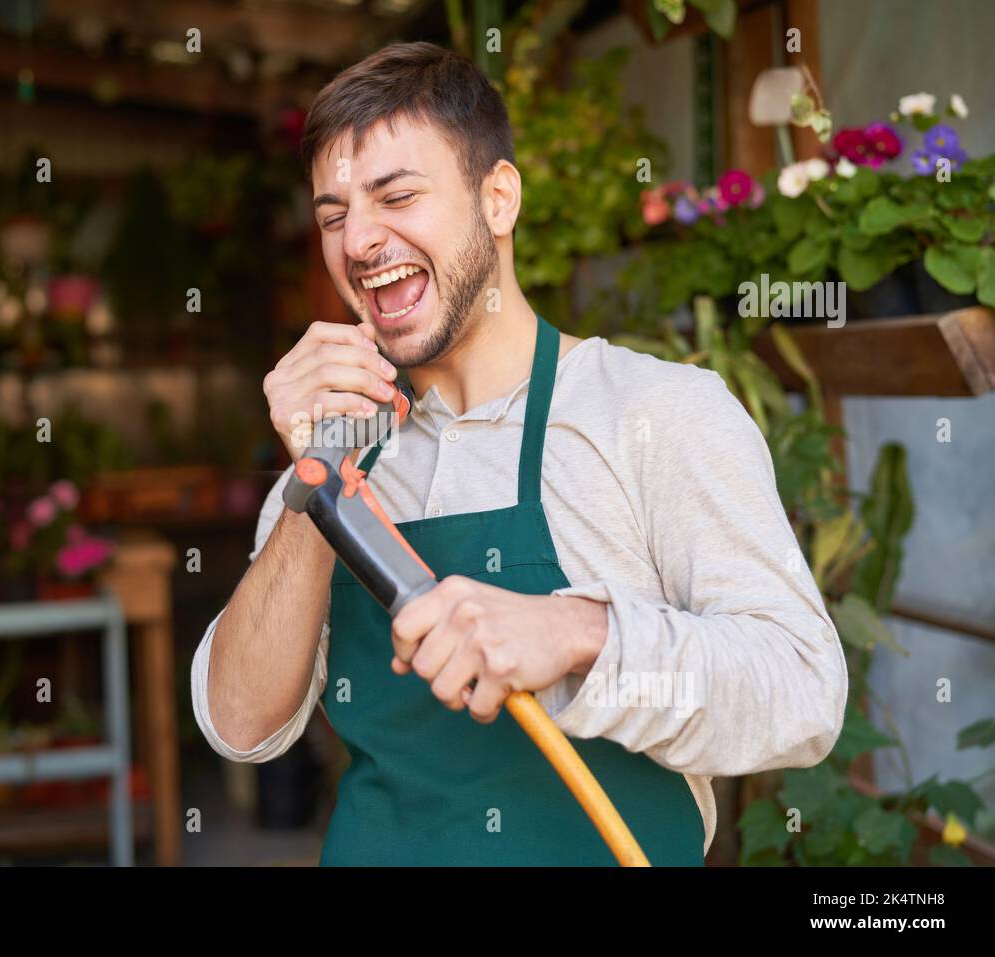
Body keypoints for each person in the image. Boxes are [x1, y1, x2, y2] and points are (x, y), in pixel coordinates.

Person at [191, 41, 846, 865]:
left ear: (497, 198)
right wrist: (317, 480)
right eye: (333, 216)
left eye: (396, 196)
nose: (358, 240)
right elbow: (241, 725)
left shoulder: (653, 413)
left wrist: (579, 634)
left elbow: (802, 692)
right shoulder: (336, 450)